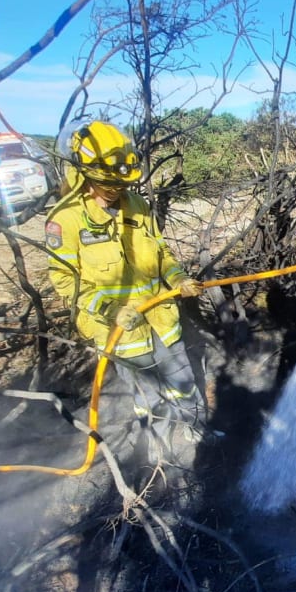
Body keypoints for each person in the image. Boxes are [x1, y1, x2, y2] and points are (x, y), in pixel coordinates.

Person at [44, 120, 206, 464]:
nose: (116, 189)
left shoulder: (137, 205)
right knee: (147, 396)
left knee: (183, 380)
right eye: (108, 182)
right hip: (121, 333)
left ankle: (196, 430)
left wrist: (178, 280)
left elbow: (161, 254)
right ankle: (160, 451)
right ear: (84, 172)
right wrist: (108, 310)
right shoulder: (66, 220)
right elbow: (64, 281)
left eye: (120, 182)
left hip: (161, 320)